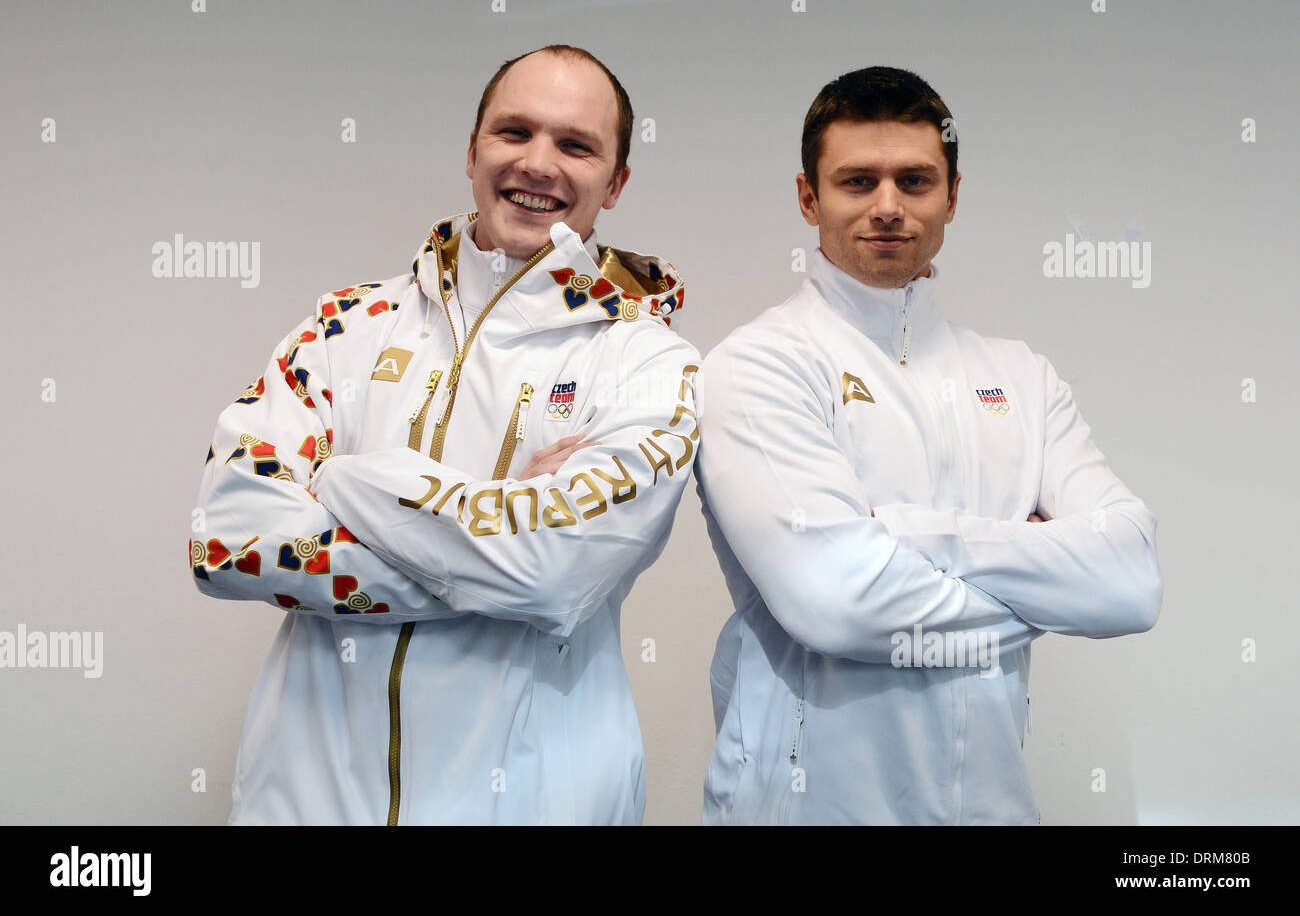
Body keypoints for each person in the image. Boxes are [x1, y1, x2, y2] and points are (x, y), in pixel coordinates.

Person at [189, 44, 699, 825]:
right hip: (305, 802)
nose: (538, 163)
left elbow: (553, 577)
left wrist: (344, 481)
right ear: (471, 151)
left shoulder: (651, 362)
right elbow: (225, 543)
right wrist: (501, 521)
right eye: (513, 132)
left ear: (616, 181)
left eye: (575, 144)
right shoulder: (342, 325)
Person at [694, 66, 1162, 825]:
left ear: (952, 194)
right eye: (857, 181)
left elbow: (1130, 583)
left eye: (914, 180)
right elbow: (837, 604)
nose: (888, 207)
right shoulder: (758, 363)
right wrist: (1043, 579)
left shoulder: (1020, 376)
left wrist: (903, 531)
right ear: (809, 197)